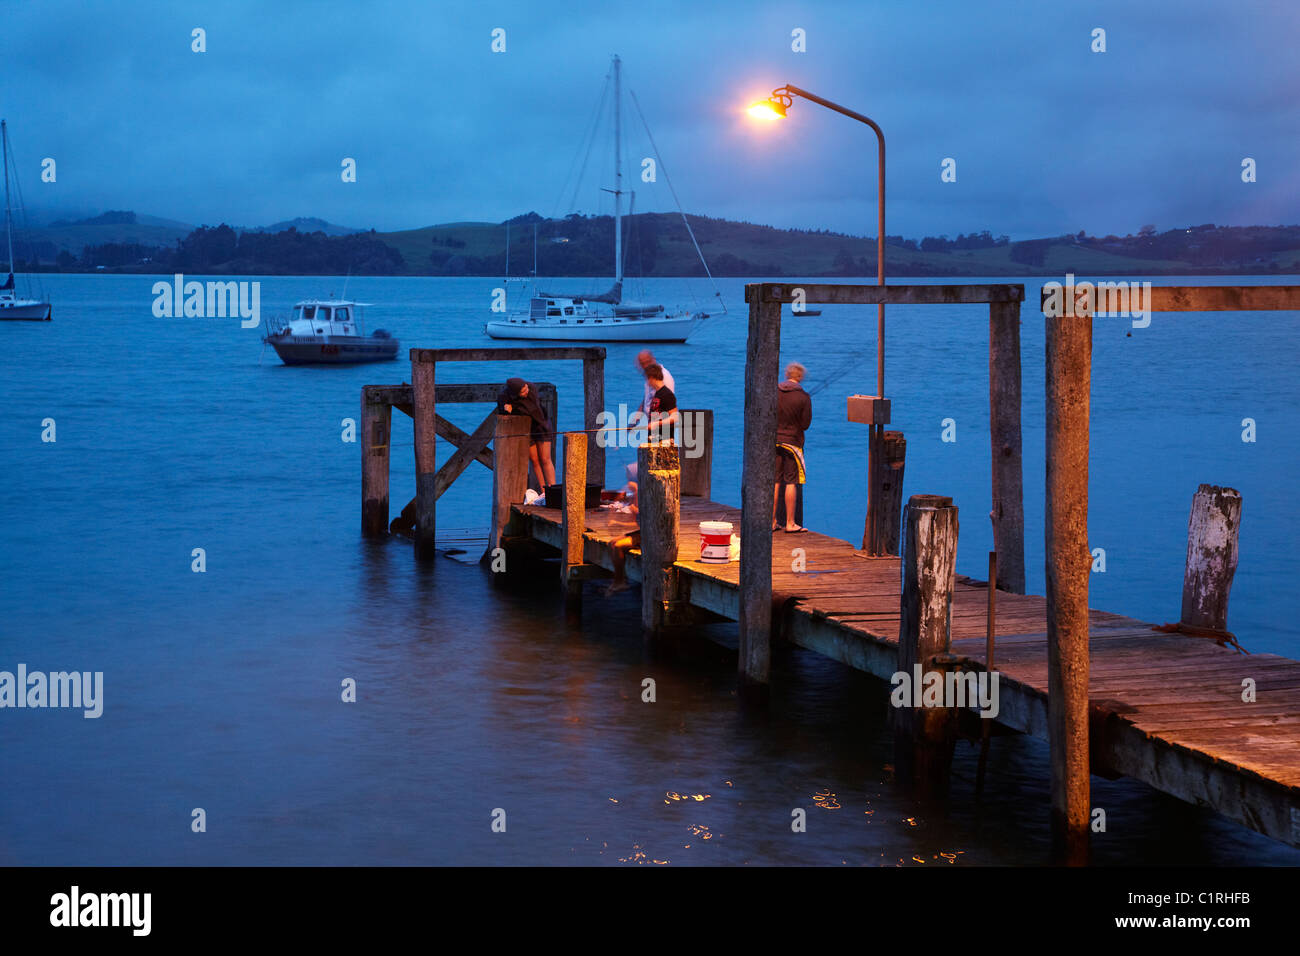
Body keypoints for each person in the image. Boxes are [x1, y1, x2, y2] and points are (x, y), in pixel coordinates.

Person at [497, 377, 556, 491]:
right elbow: (502, 411)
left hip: (540, 424)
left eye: (526, 388)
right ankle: (544, 491)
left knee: (545, 458)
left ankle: (553, 489)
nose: (526, 391)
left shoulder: (532, 388)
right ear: (515, 393)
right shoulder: (504, 396)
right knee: (534, 460)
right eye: (523, 391)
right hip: (524, 428)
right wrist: (506, 409)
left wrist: (513, 407)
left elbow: (532, 409)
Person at [773, 362, 811, 533]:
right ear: (800, 377)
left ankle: (771, 521)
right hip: (793, 443)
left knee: (774, 481)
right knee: (791, 482)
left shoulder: (774, 392)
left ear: (786, 374)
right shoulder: (803, 397)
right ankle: (790, 522)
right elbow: (805, 424)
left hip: (773, 441)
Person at [607, 482, 639, 594]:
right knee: (612, 542)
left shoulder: (641, 500)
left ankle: (620, 581)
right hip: (638, 532)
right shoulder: (634, 500)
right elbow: (636, 525)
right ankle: (617, 578)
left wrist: (618, 523)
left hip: (646, 534)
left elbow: (641, 525)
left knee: (618, 546)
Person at [643, 364, 679, 444]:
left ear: (651, 378)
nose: (647, 383)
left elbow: (675, 417)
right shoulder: (657, 394)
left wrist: (656, 423)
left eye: (647, 379)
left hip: (665, 440)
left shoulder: (667, 394)